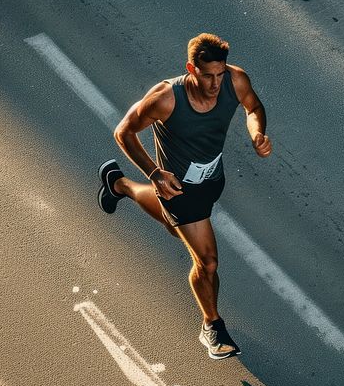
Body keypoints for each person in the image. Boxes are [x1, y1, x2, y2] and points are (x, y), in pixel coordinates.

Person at [97, 33, 272, 359]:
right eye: (207, 75)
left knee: (171, 224)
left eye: (219, 74)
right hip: (178, 190)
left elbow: (254, 108)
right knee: (207, 262)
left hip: (212, 181)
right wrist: (154, 173)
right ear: (191, 68)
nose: (215, 83)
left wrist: (257, 132)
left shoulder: (236, 80)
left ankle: (118, 184)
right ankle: (212, 326)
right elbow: (124, 131)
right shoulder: (166, 99)